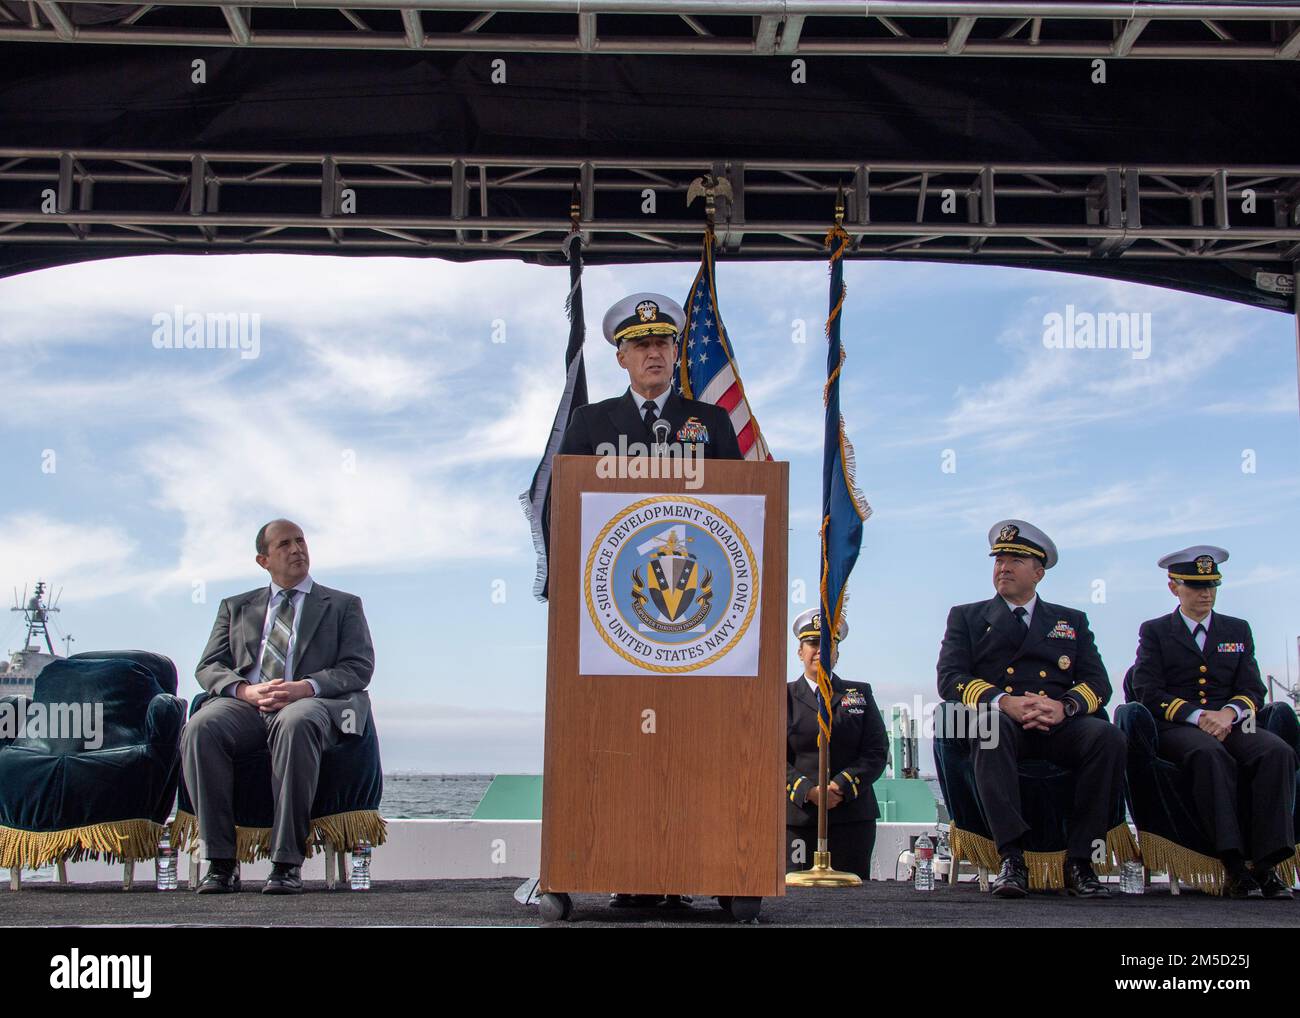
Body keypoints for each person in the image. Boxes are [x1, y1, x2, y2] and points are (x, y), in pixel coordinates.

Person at [182, 519, 375, 895]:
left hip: (311, 703)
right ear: (263, 559)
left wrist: (305, 687)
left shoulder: (343, 605)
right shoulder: (235, 607)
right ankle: (221, 864)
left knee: (295, 723)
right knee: (201, 728)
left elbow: (358, 667)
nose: (296, 549)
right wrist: (243, 691)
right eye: (284, 544)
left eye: (300, 541)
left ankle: (286, 863)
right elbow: (208, 666)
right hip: (247, 705)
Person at [936, 519, 1126, 899]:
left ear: (1038, 572)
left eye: (1015, 560)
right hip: (1004, 723)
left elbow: (1098, 683)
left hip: (1058, 725)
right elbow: (950, 678)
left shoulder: (1070, 621)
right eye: (999, 560)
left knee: (1107, 737)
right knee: (989, 728)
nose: (1003, 567)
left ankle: (1080, 861)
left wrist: (1065, 707)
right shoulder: (968, 617)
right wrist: (1004, 702)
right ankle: (1012, 857)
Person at [1130, 545, 1297, 899]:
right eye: (1195, 585)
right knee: (1209, 755)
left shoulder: (1237, 629)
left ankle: (1267, 863)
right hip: (1178, 726)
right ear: (1174, 586)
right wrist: (1197, 715)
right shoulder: (1156, 631)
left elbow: (1252, 688)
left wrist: (1228, 714)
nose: (1205, 593)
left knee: (1276, 752)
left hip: (1232, 722)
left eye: (1211, 586)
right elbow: (1146, 689)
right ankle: (1234, 864)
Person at [557, 292, 742, 460]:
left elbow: (738, 491)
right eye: (642, 345)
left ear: (675, 352)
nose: (654, 354)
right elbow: (567, 492)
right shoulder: (590, 422)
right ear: (622, 359)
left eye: (662, 344)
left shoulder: (713, 420)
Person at [785, 609, 887, 879]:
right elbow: (771, 754)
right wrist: (808, 790)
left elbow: (876, 752)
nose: (820, 650)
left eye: (828, 644)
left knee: (850, 903)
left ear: (838, 652)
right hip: (798, 818)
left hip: (852, 817)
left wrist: (840, 785)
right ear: (800, 651)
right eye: (813, 643)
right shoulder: (782, 696)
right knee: (794, 901)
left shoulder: (859, 693)